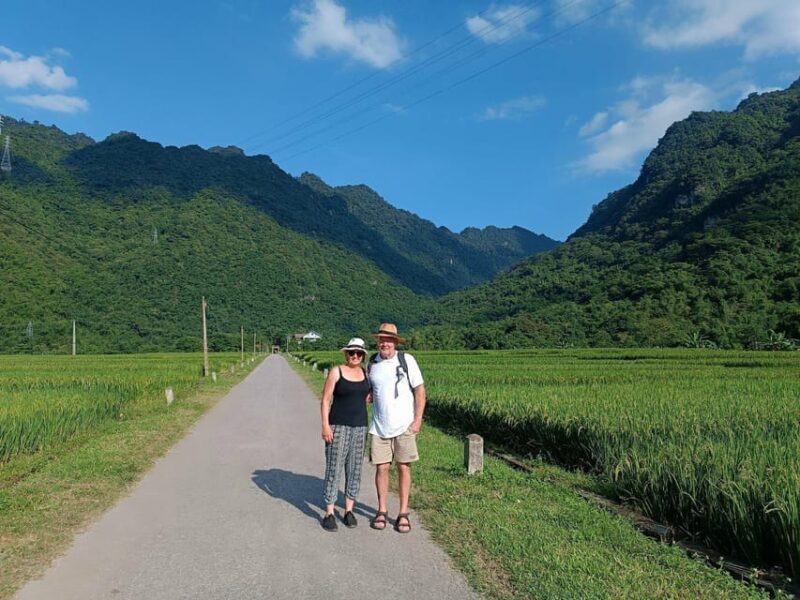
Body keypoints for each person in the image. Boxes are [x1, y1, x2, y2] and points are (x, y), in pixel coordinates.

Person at [366, 323, 426, 533]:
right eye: (381, 339)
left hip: (404, 425)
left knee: (403, 467)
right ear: (378, 341)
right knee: (381, 468)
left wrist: (417, 420)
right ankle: (381, 510)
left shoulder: (406, 360)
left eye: (388, 339)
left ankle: (403, 512)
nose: (385, 343)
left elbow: (420, 391)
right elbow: (371, 389)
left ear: (395, 342)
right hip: (379, 426)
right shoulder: (372, 362)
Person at [320, 337, 371, 532]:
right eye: (352, 352)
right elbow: (325, 400)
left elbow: (369, 395)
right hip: (338, 426)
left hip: (360, 427)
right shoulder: (336, 371)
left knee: (355, 469)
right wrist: (325, 425)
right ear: (346, 354)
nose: (355, 356)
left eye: (359, 353)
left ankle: (349, 510)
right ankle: (329, 512)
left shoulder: (365, 374)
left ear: (363, 355)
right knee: (334, 468)